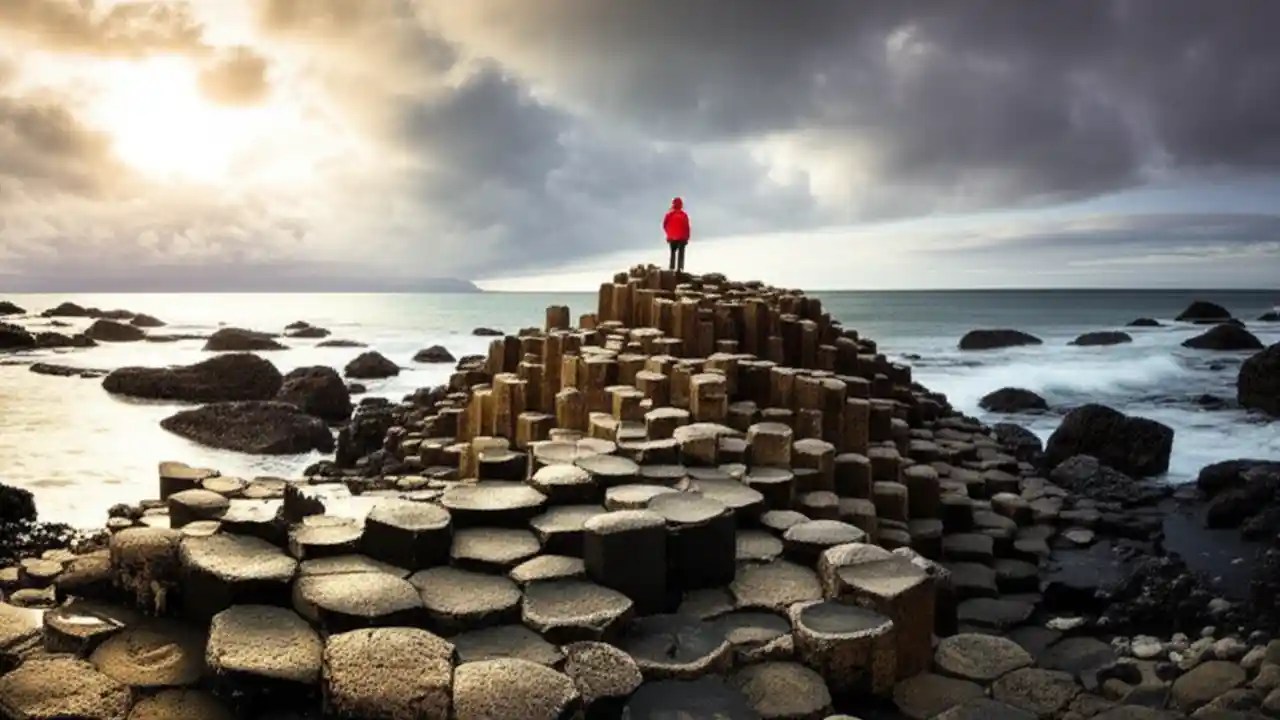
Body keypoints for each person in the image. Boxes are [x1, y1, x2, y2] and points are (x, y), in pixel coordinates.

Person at [663, 197, 690, 272]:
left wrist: (669, 234)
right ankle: (680, 268)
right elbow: (687, 227)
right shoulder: (684, 215)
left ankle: (672, 268)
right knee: (681, 253)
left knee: (673, 253)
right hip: (682, 238)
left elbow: (664, 225)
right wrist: (687, 237)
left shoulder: (669, 215)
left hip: (672, 237)